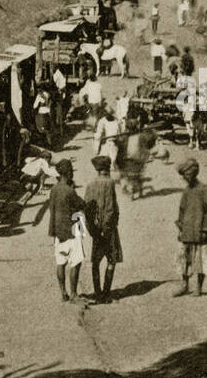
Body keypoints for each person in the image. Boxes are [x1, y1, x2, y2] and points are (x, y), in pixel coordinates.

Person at [174, 157, 207, 296]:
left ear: (193, 174)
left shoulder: (205, 190)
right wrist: (180, 226)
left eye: (187, 175)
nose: (185, 178)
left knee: (201, 260)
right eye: (184, 176)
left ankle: (198, 287)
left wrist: (206, 230)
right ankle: (184, 285)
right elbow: (181, 210)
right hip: (187, 230)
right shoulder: (186, 191)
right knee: (183, 258)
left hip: (200, 231)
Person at [46, 158, 87, 302]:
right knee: (76, 262)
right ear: (68, 173)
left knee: (60, 262)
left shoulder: (54, 190)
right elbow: (80, 205)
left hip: (58, 231)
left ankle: (63, 292)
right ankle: (74, 294)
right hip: (71, 230)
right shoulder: (69, 191)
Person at [84, 154, 124, 301]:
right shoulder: (109, 183)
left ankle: (97, 292)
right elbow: (112, 208)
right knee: (111, 260)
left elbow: (87, 209)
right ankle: (106, 292)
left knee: (95, 262)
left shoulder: (90, 184)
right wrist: (108, 228)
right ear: (107, 168)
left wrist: (92, 230)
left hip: (96, 229)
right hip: (109, 229)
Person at [120, 127, 157, 200]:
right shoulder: (140, 137)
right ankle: (141, 193)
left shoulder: (127, 138)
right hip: (139, 160)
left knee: (131, 179)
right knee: (139, 178)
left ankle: (132, 195)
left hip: (130, 160)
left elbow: (124, 150)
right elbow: (145, 148)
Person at [18, 129, 54, 196]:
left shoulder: (24, 144)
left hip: (27, 164)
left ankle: (38, 184)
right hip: (26, 167)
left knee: (45, 158)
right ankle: (39, 185)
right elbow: (23, 158)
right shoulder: (23, 145)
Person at [94, 105, 121, 169]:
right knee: (103, 162)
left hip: (114, 144)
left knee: (113, 162)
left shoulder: (116, 121)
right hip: (105, 144)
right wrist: (98, 141)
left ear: (111, 114)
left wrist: (118, 139)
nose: (106, 115)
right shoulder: (102, 121)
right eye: (105, 113)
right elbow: (98, 134)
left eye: (108, 114)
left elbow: (119, 134)